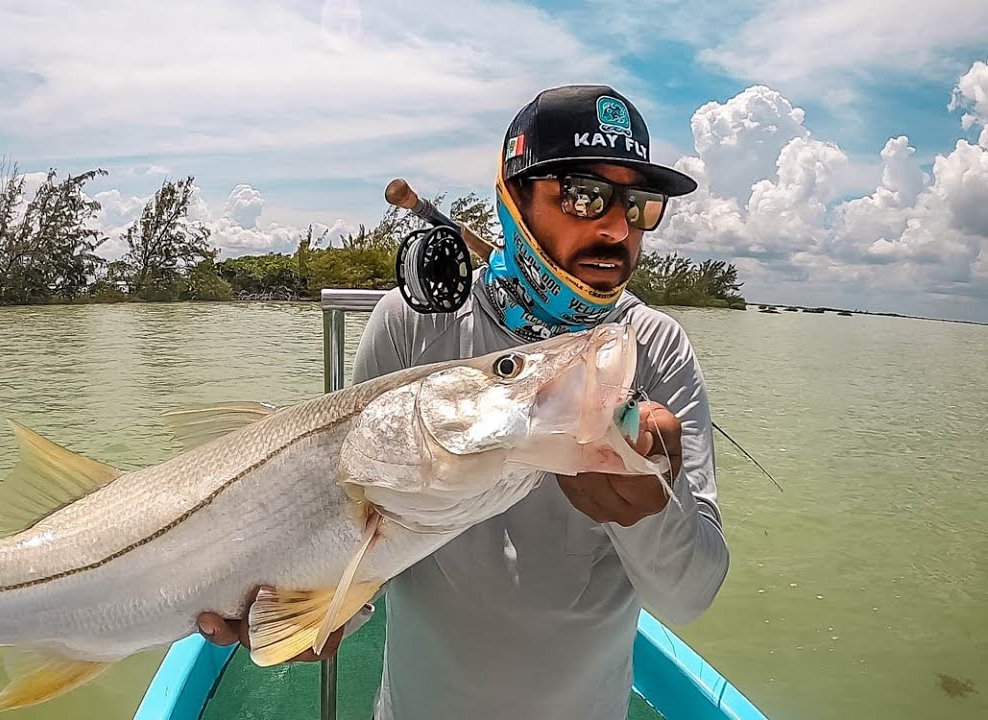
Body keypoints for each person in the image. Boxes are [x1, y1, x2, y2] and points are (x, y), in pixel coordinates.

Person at [196, 84, 729, 720]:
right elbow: (351, 515)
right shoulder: (411, 326)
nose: (617, 228)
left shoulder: (656, 347)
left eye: (640, 206)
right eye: (584, 195)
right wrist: (321, 612)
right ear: (514, 199)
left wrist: (652, 511)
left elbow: (692, 595)